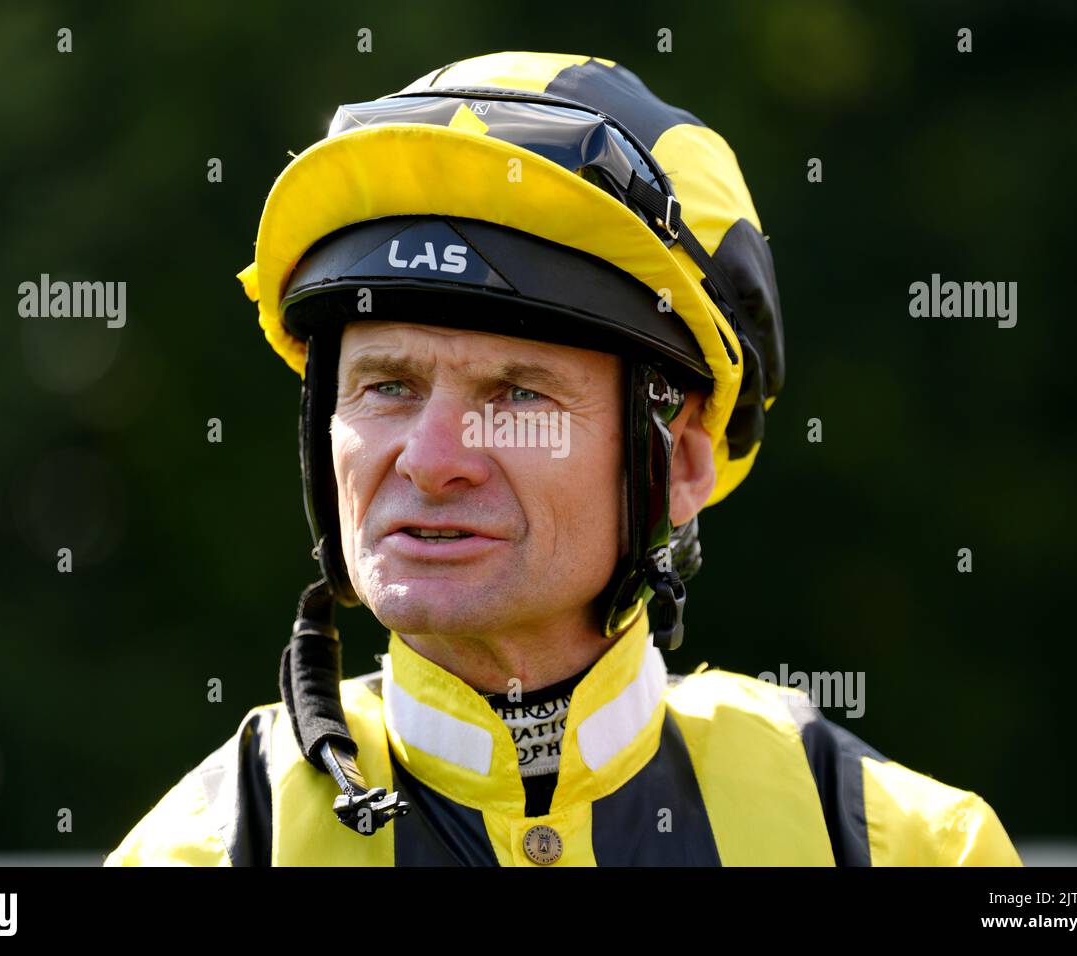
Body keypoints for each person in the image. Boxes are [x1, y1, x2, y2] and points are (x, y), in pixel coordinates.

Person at [106, 51, 1022, 867]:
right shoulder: (205, 848)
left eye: (517, 394)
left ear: (684, 461)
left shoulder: (908, 846)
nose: (431, 462)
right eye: (387, 384)